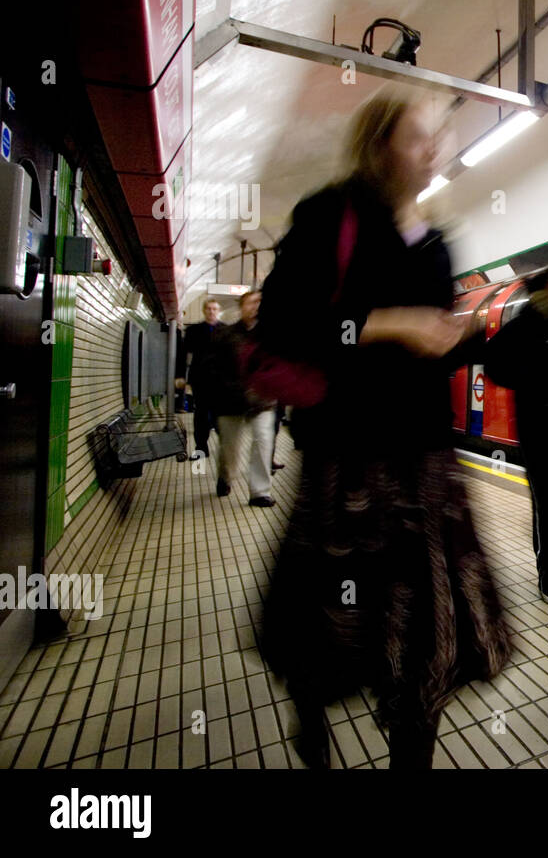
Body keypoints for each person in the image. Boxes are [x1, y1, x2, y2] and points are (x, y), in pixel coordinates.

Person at [256, 86, 511, 769]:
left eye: (438, 137)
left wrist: (465, 337)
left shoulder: (436, 244)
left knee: (428, 637)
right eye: (416, 137)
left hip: (425, 464)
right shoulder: (328, 218)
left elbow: (433, 346)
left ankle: (410, 742)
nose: (433, 149)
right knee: (331, 625)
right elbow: (285, 326)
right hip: (346, 460)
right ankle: (310, 709)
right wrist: (388, 322)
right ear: (378, 148)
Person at [484, 261, 548, 606]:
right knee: (546, 504)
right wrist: (533, 384)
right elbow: (495, 365)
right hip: (539, 431)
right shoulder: (526, 326)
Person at [210, 289, 277, 506]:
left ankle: (260, 492)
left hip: (262, 401)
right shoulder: (226, 335)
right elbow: (214, 368)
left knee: (263, 440)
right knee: (230, 448)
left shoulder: (271, 335)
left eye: (260, 302)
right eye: (251, 303)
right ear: (241, 307)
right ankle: (225, 476)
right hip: (231, 402)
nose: (255, 307)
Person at [174, 297, 222, 461]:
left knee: (220, 414)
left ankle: (225, 448)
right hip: (200, 379)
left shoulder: (226, 330)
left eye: (214, 309)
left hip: (221, 381)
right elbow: (183, 355)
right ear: (204, 310)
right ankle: (201, 449)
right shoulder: (194, 331)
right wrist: (180, 376)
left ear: (218, 311)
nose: (211, 311)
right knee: (200, 415)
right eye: (209, 308)